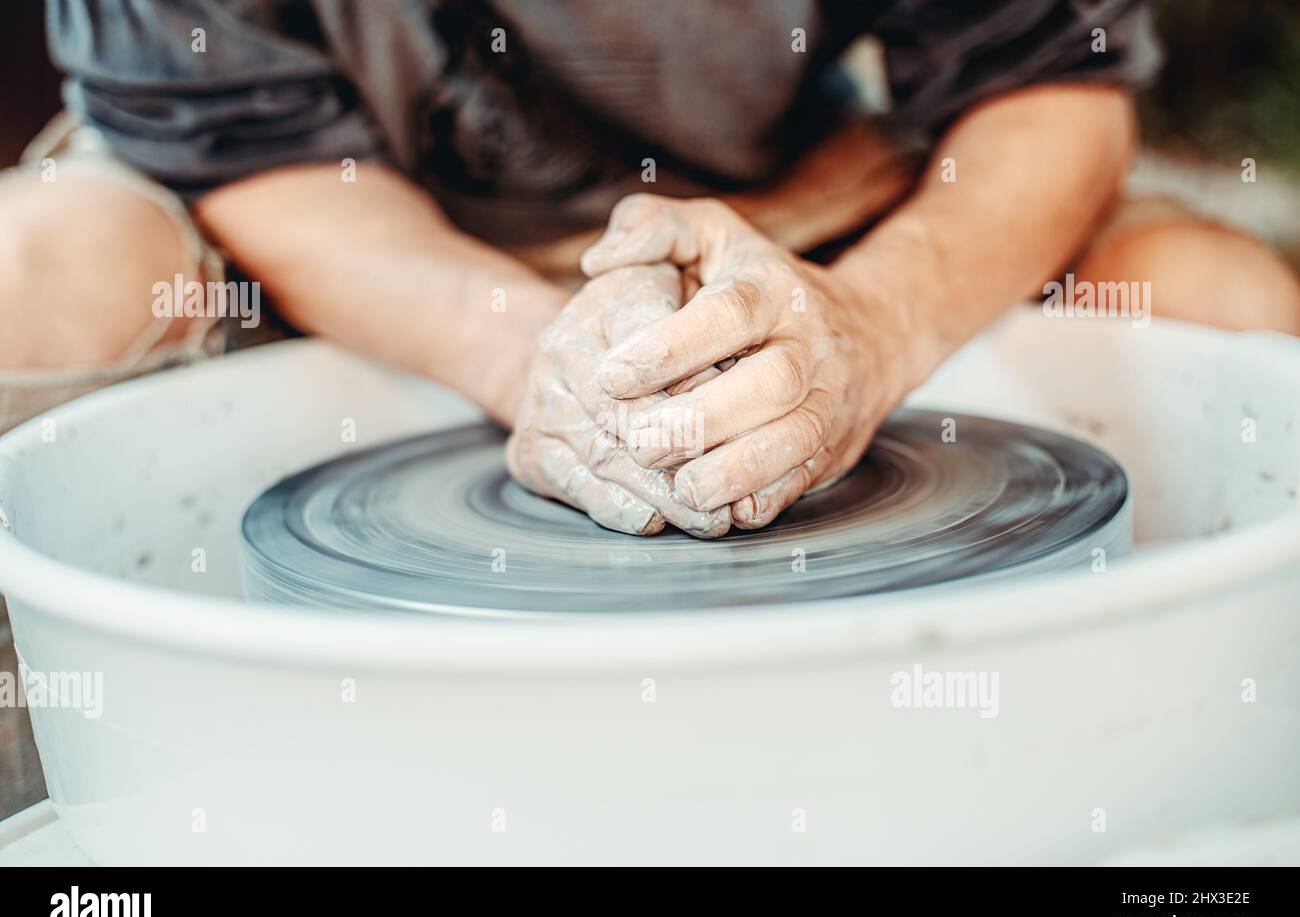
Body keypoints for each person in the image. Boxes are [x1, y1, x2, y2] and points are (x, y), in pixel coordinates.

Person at [2, 0, 1297, 537]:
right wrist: (533, 355)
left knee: (1223, 308)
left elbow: (1046, 81)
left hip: (811, 200)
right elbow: (244, 144)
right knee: (33, 277)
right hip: (334, 226)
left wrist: (873, 324)